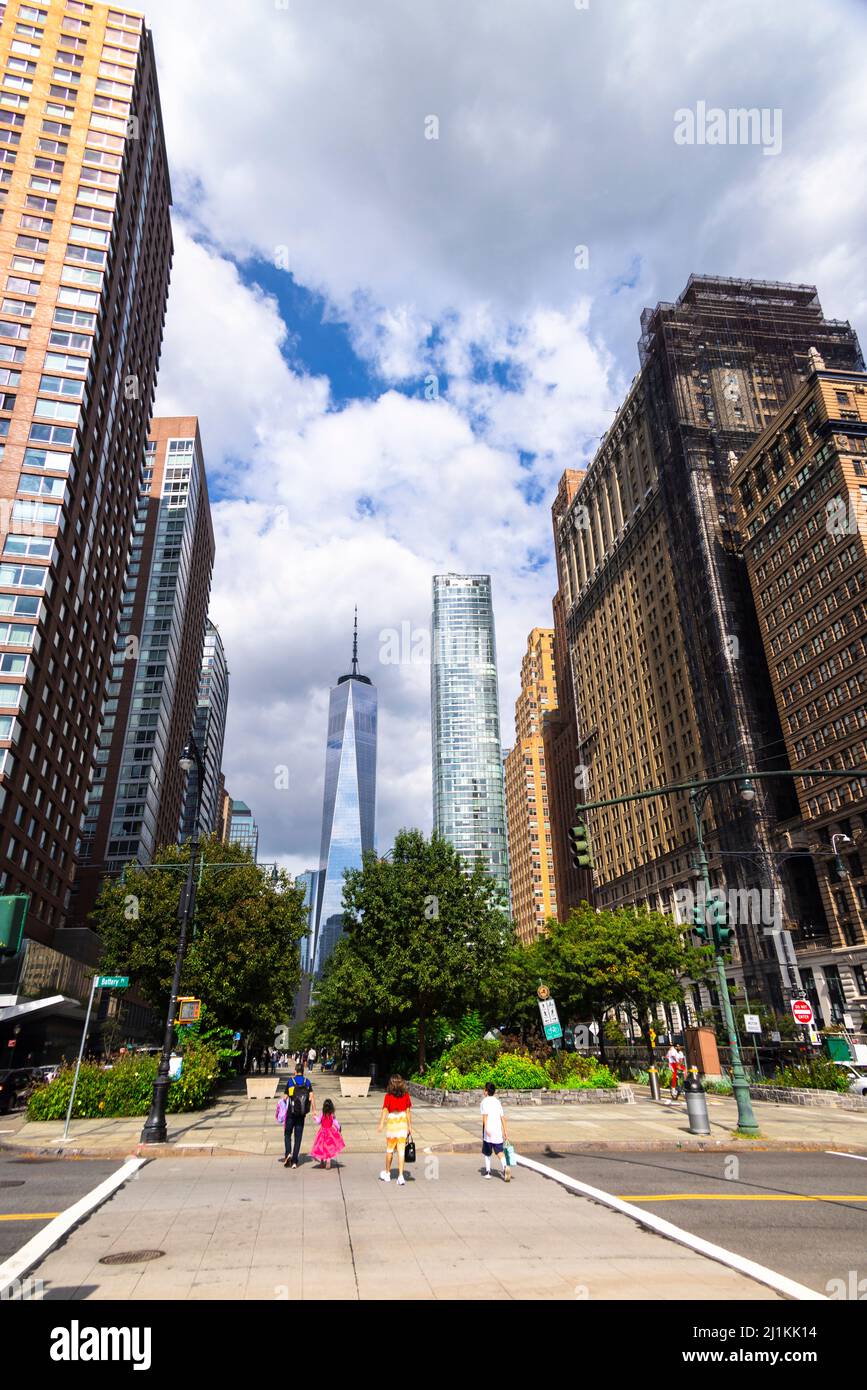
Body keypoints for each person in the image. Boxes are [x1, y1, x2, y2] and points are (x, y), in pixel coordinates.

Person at [377, 1075, 412, 1185]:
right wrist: (410, 1126)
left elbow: (385, 1110)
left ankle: (387, 1173)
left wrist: (381, 1124)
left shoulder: (388, 1096)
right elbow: (408, 1111)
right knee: (401, 1151)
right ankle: (401, 1176)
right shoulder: (406, 1095)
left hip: (392, 1123)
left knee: (389, 1150)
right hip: (402, 1123)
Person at [281, 1066, 315, 1168]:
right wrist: (314, 1111)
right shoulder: (307, 1082)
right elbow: (311, 1097)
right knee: (298, 1137)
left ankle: (288, 1153)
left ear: (295, 1071)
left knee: (287, 1134)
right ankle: (295, 1161)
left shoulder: (291, 1081)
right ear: (303, 1072)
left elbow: (285, 1097)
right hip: (301, 1114)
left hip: (291, 1113)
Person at [480, 1082, 510, 1182]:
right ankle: (505, 1168)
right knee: (499, 1152)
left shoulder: (484, 1102)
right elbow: (503, 1118)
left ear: (486, 1091)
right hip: (498, 1131)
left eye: (484, 1089)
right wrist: (505, 1131)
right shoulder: (497, 1102)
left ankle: (488, 1172)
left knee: (487, 1152)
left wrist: (486, 1129)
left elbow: (485, 1117)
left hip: (488, 1131)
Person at [310, 1097, 345, 1169]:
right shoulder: (332, 1115)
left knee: (321, 1146)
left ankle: (322, 1160)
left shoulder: (322, 1114)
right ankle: (328, 1160)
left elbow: (318, 1121)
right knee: (329, 1147)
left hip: (322, 1132)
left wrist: (315, 1117)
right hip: (330, 1132)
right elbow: (336, 1123)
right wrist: (339, 1128)